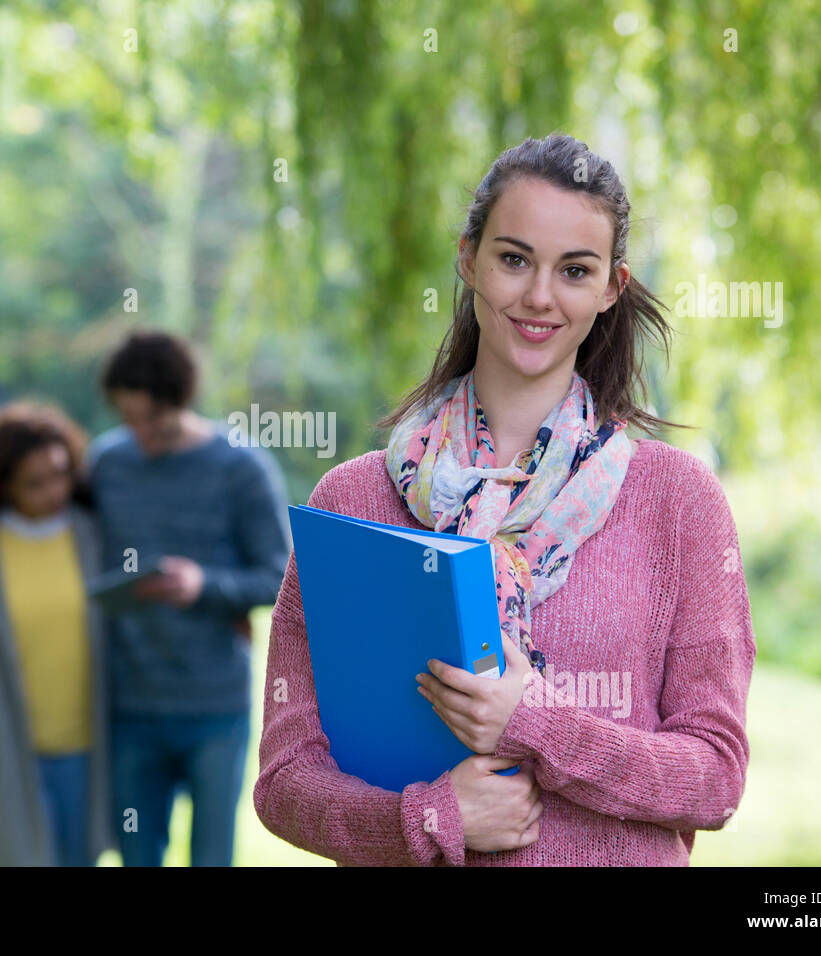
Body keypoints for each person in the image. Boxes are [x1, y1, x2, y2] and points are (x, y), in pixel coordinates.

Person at [253, 133, 757, 866]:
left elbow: (714, 780)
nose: (539, 297)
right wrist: (429, 819)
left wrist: (535, 723)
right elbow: (285, 781)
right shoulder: (352, 500)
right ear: (469, 259)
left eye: (574, 270)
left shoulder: (678, 501)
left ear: (611, 288)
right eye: (514, 259)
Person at [88, 330, 291, 866]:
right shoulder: (108, 464)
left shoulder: (242, 469)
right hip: (130, 703)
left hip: (214, 705)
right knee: (137, 854)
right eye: (130, 420)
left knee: (211, 858)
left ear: (182, 401)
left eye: (154, 420)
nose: (143, 434)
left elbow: (281, 579)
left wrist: (205, 586)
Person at [0, 401, 114, 866]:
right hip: (11, 755)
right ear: (2, 484)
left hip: (90, 752)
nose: (55, 490)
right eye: (35, 483)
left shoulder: (96, 536)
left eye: (61, 473)